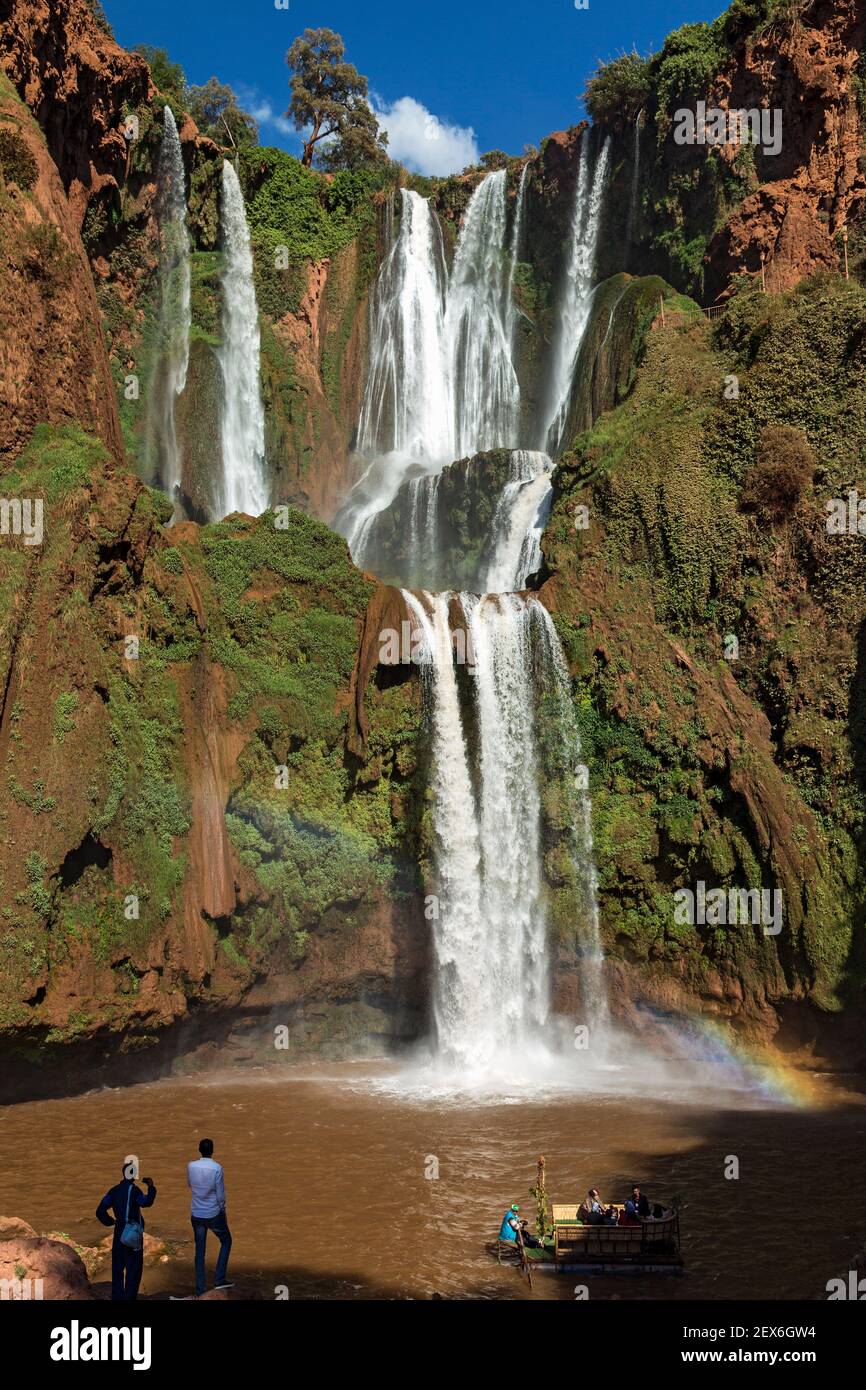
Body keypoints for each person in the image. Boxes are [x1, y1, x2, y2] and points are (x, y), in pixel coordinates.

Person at [95, 1162, 157, 1302]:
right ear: (134, 1175)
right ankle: (129, 1298)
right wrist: (151, 1187)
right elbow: (146, 1202)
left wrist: (111, 1222)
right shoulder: (135, 1191)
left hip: (119, 1232)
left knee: (117, 1268)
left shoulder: (114, 1191)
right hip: (132, 1234)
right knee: (133, 1269)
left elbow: (100, 1211)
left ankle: (117, 1297)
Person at [187, 1137, 233, 1296]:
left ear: (200, 1150)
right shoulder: (217, 1168)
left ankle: (200, 1289)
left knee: (200, 1251)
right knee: (226, 1241)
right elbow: (220, 1195)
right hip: (213, 1212)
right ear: (212, 1150)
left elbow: (190, 1185)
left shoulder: (191, 1166)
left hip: (196, 1212)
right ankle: (219, 1279)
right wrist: (223, 1211)